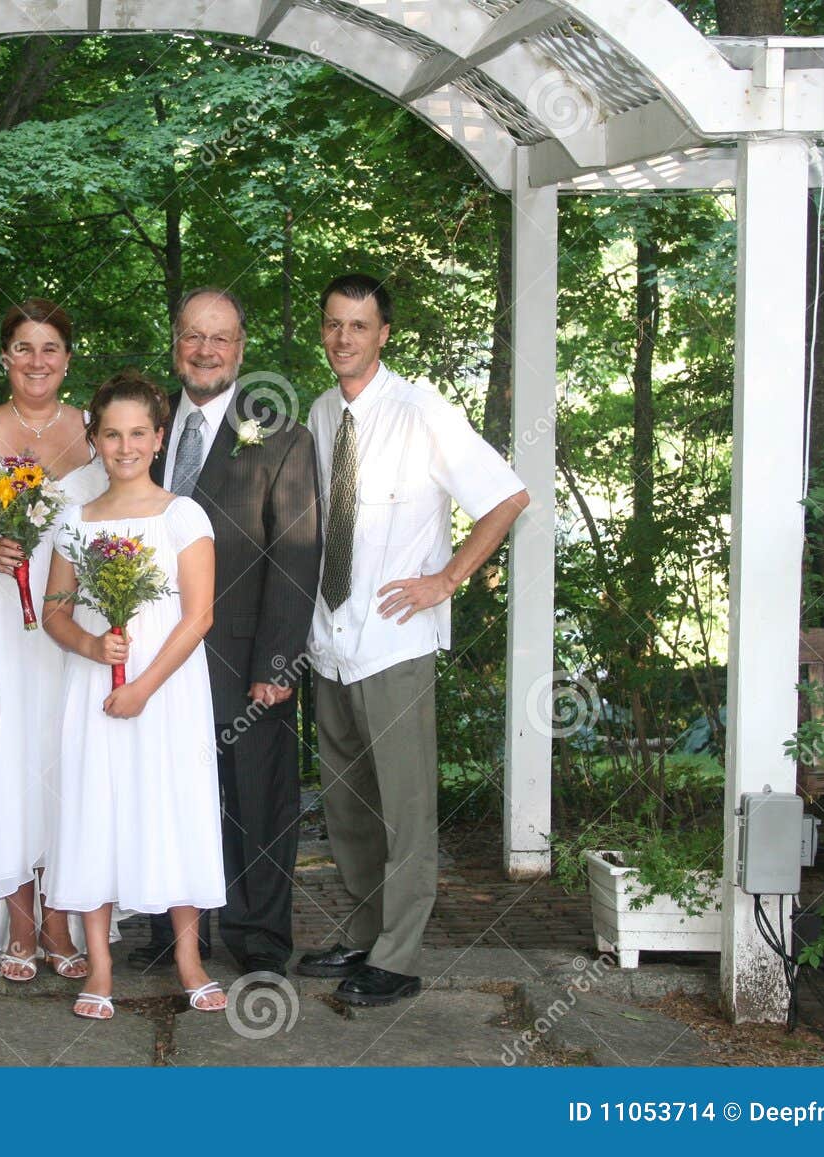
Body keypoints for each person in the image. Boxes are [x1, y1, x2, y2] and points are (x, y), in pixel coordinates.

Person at [295, 274, 530, 1006]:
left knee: (404, 810)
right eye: (333, 324)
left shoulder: (423, 410)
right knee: (348, 807)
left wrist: (447, 578)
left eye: (358, 326)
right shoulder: (321, 411)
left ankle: (396, 958)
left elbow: (507, 496)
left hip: (394, 644)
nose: (343, 338)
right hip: (331, 641)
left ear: (383, 333)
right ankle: (365, 933)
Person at [129, 288, 321, 978]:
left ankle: (258, 935)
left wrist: (278, 661)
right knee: (163, 791)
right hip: (154, 654)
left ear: (241, 349)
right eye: (192, 336)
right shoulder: (141, 432)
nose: (205, 350)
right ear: (175, 341)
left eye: (221, 338)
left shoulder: (280, 434)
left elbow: (298, 556)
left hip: (244, 656)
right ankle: (170, 932)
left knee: (255, 801)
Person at [42, 369, 227, 1020]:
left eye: (138, 433)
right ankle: (99, 964)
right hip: (95, 689)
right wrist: (93, 648)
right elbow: (55, 611)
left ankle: (188, 959)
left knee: (173, 804)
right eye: (111, 433)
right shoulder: (76, 519)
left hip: (165, 690)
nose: (124, 446)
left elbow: (198, 616)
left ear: (157, 439)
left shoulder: (184, 514)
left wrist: (144, 687)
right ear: (94, 439)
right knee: (95, 808)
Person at [0, 299, 107, 981]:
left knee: (66, 761)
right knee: (4, 761)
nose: (37, 361)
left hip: (74, 621)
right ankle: (17, 922)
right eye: (23, 347)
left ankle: (62, 919)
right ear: (5, 356)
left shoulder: (100, 434)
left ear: (68, 358)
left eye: (50, 348)